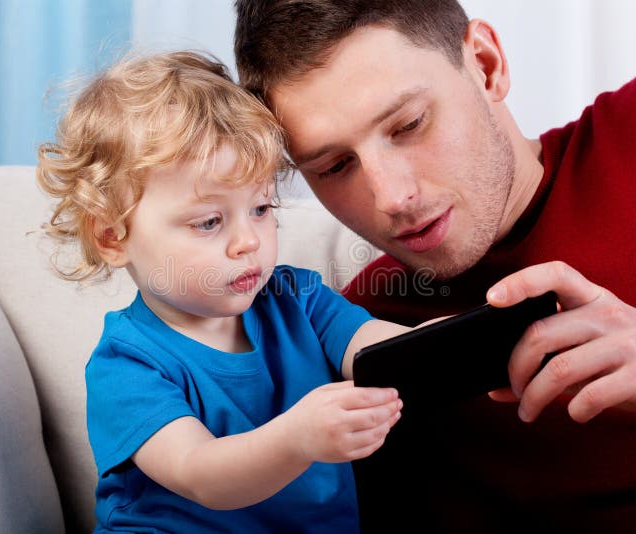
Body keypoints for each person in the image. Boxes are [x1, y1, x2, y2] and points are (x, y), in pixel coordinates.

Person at [234, 0, 636, 530]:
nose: (392, 197)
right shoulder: (349, 343)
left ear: (485, 64)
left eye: (409, 124)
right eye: (335, 166)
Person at [35, 49, 442, 533]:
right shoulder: (127, 364)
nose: (249, 241)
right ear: (111, 237)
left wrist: (442, 346)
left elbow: (383, 351)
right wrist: (297, 438)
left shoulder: (298, 299)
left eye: (261, 208)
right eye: (209, 221)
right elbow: (202, 475)